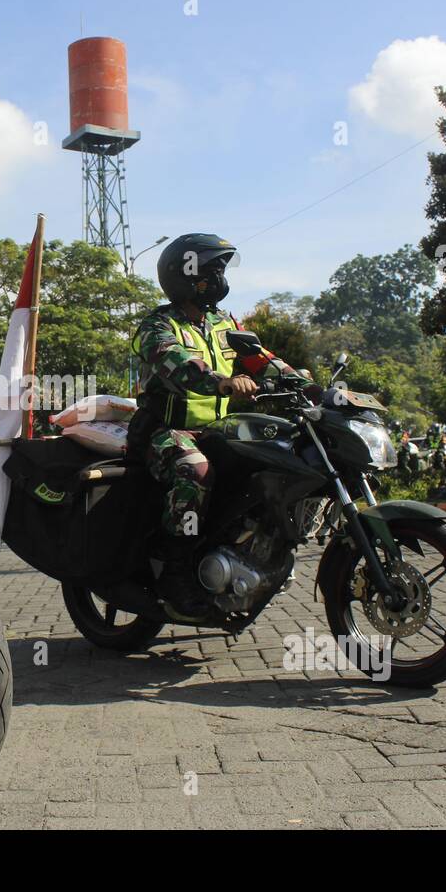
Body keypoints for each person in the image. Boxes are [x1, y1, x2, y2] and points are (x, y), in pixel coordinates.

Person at [127, 233, 314, 622]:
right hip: (166, 431)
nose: (218, 279)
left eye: (221, 270)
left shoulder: (224, 323)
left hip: (219, 430)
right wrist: (220, 381)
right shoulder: (157, 324)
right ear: (182, 276)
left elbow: (260, 358)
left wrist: (304, 383)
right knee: (195, 471)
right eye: (210, 271)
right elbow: (173, 360)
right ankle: (173, 569)